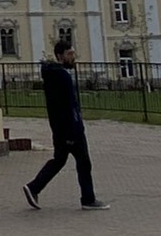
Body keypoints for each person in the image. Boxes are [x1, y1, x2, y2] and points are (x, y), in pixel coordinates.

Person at [22, 40, 110, 211]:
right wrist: (73, 130)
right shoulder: (61, 76)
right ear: (60, 56)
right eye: (69, 54)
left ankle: (33, 187)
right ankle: (88, 199)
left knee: (59, 160)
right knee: (83, 162)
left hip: (60, 128)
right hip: (70, 129)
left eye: (73, 53)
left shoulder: (54, 74)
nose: (73, 57)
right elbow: (67, 106)